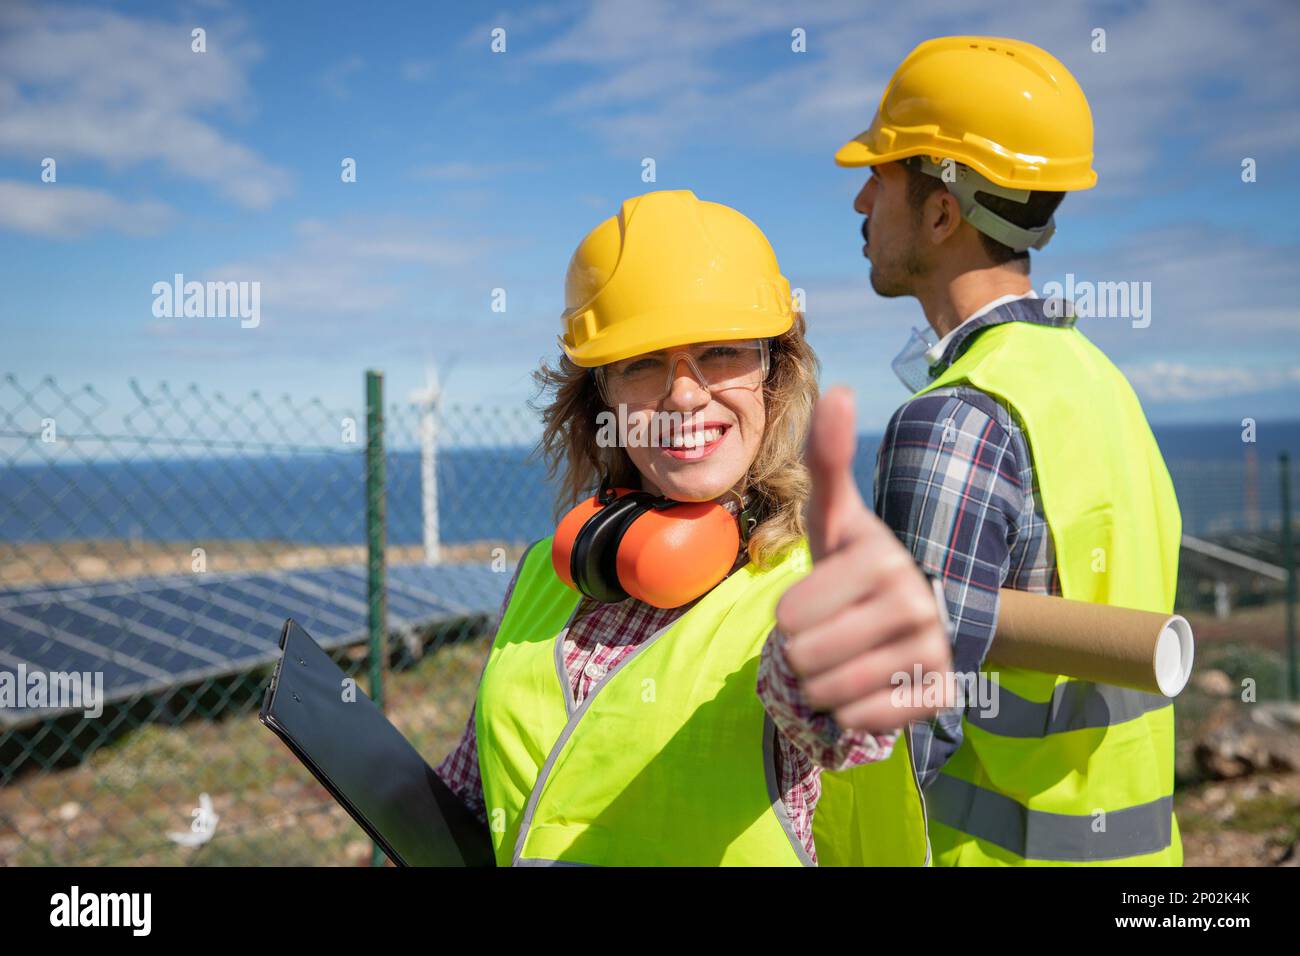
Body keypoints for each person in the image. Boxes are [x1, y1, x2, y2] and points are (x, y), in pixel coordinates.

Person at [434, 189, 950, 866]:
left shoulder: (811, 588)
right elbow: (480, 788)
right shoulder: (543, 574)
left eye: (723, 353)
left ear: (774, 376)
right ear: (601, 399)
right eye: (642, 363)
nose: (683, 394)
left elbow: (835, 715)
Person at [800, 35, 1182, 865]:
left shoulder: (952, 421)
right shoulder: (1100, 384)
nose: (861, 202)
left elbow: (898, 732)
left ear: (942, 212)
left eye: (881, 175)